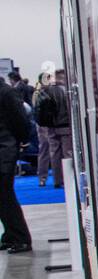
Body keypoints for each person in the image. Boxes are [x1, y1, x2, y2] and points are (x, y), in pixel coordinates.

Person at [0, 76, 34, 253]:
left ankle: (21, 238)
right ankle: (10, 236)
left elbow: (20, 120)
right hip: (5, 146)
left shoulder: (7, 92)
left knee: (5, 194)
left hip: (5, 148)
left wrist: (22, 141)